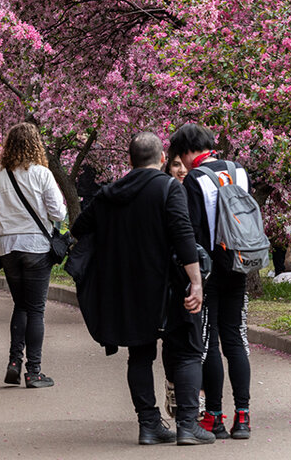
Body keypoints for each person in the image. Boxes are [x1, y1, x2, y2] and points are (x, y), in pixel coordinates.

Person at [73, 132, 214, 446]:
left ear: (129, 160)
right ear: (162, 158)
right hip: (171, 288)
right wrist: (196, 282)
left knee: (139, 354)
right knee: (188, 352)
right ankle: (188, 426)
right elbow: (183, 236)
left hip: (129, 288)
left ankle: (149, 425)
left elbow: (79, 228)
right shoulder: (168, 188)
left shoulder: (108, 193)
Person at [170, 123, 254, 440]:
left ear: (189, 151)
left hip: (211, 271)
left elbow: (190, 230)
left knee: (210, 343)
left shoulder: (195, 179)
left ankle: (215, 417)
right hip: (240, 264)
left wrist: (194, 278)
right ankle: (243, 417)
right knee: (236, 340)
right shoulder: (238, 170)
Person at [0, 122, 67, 388]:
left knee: (20, 306)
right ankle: (34, 371)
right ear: (35, 144)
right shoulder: (41, 174)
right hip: (35, 247)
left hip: (7, 248)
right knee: (36, 310)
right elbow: (59, 214)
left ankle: (14, 362)